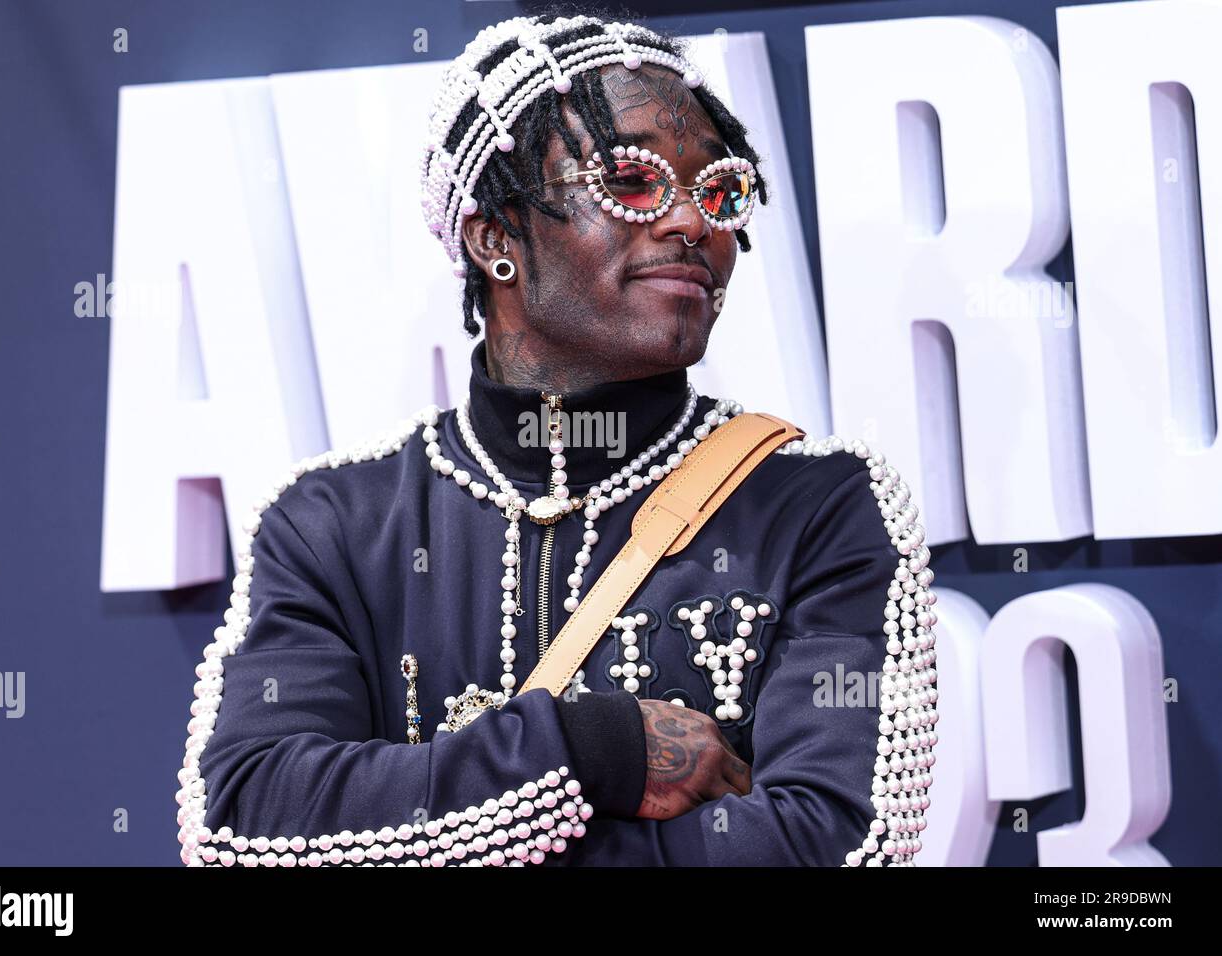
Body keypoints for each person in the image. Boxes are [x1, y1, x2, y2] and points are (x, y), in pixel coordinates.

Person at [175, 12, 939, 867]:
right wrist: (589, 747)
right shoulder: (335, 522)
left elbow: (833, 844)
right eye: (635, 180)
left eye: (720, 191)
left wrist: (435, 831)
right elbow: (243, 822)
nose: (694, 221)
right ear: (494, 237)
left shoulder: (820, 505)